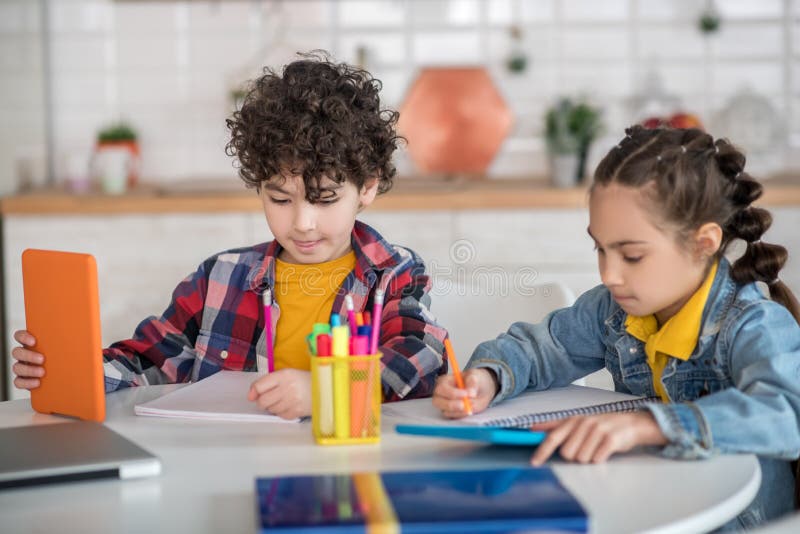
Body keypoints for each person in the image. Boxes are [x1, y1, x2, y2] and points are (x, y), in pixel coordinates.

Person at [12, 53, 448, 420]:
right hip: (230, 464)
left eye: (325, 199)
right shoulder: (220, 278)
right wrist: (72, 370)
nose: (303, 222)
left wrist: (325, 390)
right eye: (280, 199)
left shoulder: (393, 275)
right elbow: (148, 360)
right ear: (258, 186)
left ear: (367, 187)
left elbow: (421, 359)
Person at [432, 125, 800, 527]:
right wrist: (488, 377)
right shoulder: (614, 311)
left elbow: (784, 415)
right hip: (652, 511)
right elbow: (541, 349)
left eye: (632, 256)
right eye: (600, 248)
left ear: (703, 243)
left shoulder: (753, 324)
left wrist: (648, 425)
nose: (609, 274)